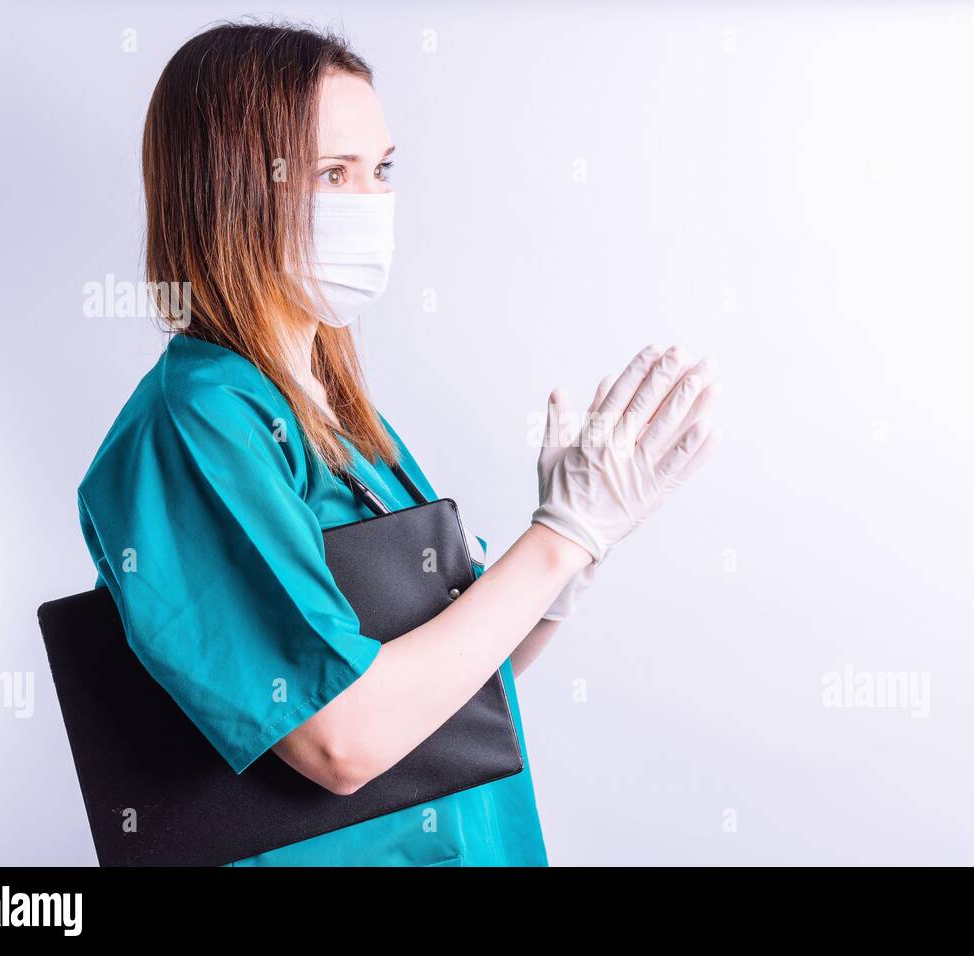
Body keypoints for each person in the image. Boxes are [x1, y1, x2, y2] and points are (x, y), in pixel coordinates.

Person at [76, 21, 721, 867]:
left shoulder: (335, 413)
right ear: (231, 189)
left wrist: (569, 562)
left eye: (381, 171)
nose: (370, 203)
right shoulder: (198, 424)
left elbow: (442, 696)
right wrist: (557, 540)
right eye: (331, 174)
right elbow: (340, 736)